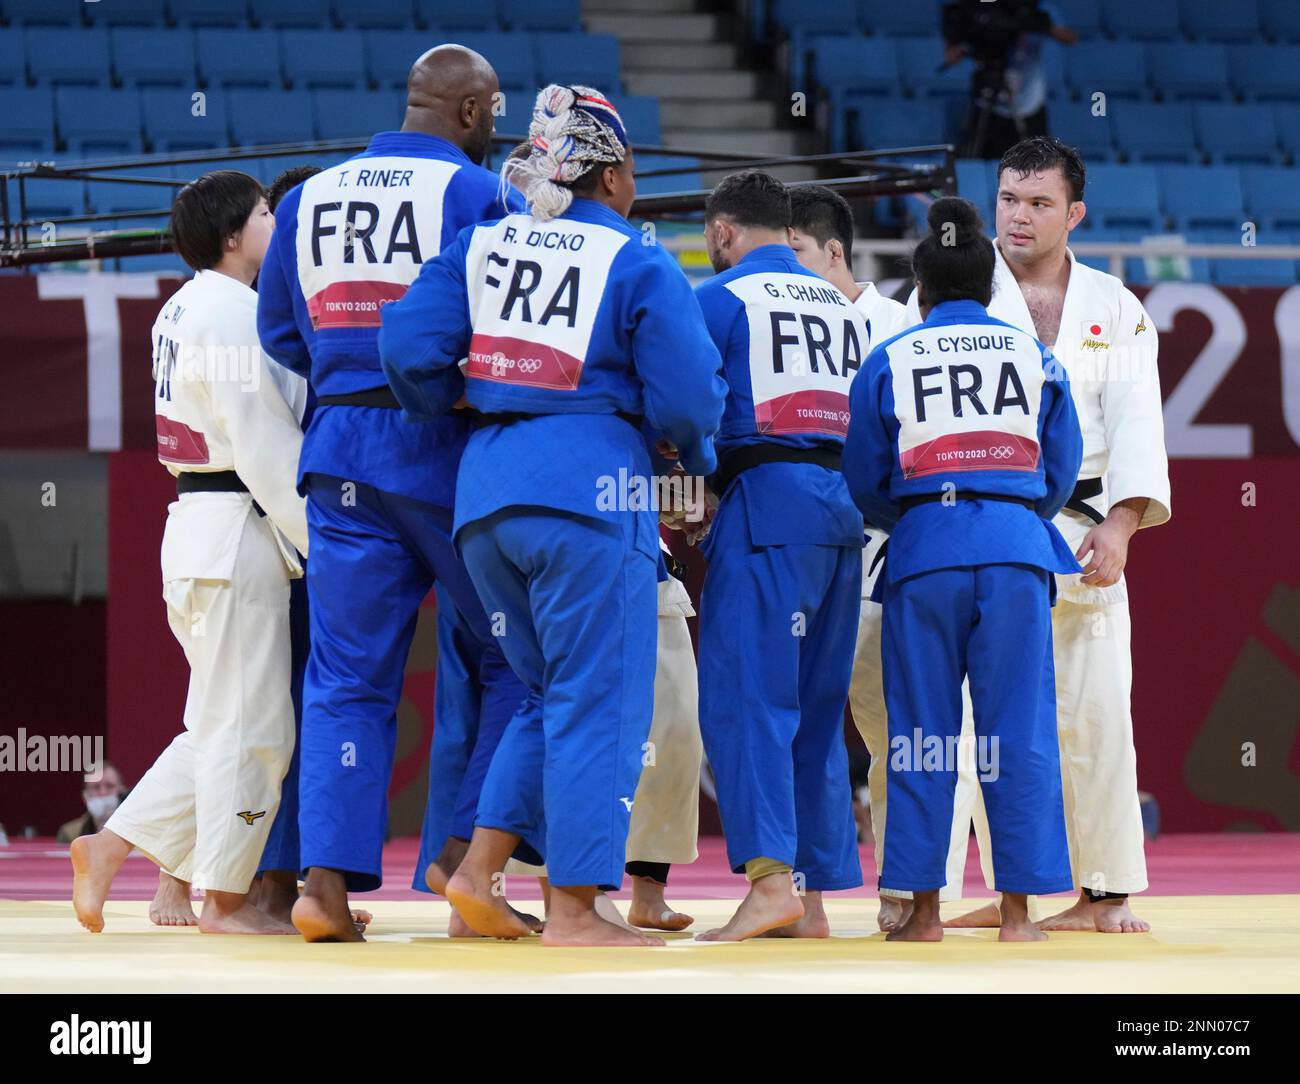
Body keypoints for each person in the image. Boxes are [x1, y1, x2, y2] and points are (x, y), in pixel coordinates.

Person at [380, 84, 726, 947]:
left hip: (485, 498)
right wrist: (688, 456)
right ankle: (577, 907)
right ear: (609, 175)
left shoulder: (481, 242)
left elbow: (403, 347)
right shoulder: (637, 260)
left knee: (544, 696)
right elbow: (688, 397)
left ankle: (475, 872)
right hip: (587, 493)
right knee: (600, 704)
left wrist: (455, 395)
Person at [256, 45, 531, 942]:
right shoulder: (476, 196)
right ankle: (462, 865)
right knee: (512, 660)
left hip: (338, 453)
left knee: (343, 676)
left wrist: (348, 372)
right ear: (468, 112)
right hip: (442, 452)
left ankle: (322, 890)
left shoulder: (303, 201)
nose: (497, 128)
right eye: (493, 114)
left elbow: (280, 334)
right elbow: (517, 324)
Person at [907, 137, 1171, 934]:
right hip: (977, 522)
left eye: (1039, 204)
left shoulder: (1114, 306)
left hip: (1084, 526)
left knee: (1093, 711)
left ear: (1074, 213)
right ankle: (1010, 884)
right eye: (1009, 201)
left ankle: (1104, 891)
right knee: (971, 719)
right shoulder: (954, 288)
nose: (1018, 218)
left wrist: (1124, 523)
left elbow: (1137, 426)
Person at [70, 170, 308, 935]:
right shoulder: (233, 311)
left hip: (197, 526)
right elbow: (263, 443)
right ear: (235, 236)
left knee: (216, 723)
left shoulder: (179, 307)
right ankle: (225, 901)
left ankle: (109, 847)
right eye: (267, 213)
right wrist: (321, 539)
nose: (278, 220)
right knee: (254, 728)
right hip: (235, 523)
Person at [844, 195, 1083, 941]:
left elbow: (864, 476)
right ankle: (1018, 914)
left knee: (920, 732)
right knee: (1020, 732)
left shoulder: (891, 356)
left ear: (920, 291)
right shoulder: (1035, 356)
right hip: (1014, 551)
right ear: (988, 288)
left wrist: (917, 519)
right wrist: (1011, 513)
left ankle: (921, 911)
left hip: (924, 553)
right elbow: (1062, 471)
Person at [691, 170, 866, 942]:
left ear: (725, 233)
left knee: (748, 696)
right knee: (817, 711)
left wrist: (689, 476)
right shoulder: (841, 305)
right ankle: (812, 897)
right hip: (841, 511)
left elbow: (686, 402)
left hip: (765, 500)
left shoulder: (718, 299)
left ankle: (768, 883)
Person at [787, 184, 927, 932]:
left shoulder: (899, 329)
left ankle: (904, 885)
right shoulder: (778, 316)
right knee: (800, 714)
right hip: (799, 537)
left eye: (797, 252)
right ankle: (801, 895)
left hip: (877, 543)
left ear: (834, 251)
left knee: (890, 721)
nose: (786, 269)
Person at [58, 762, 126, 844]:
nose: (103, 793)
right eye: (96, 787)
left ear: (121, 792)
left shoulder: (136, 832)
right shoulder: (70, 834)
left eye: (109, 786)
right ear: (85, 796)